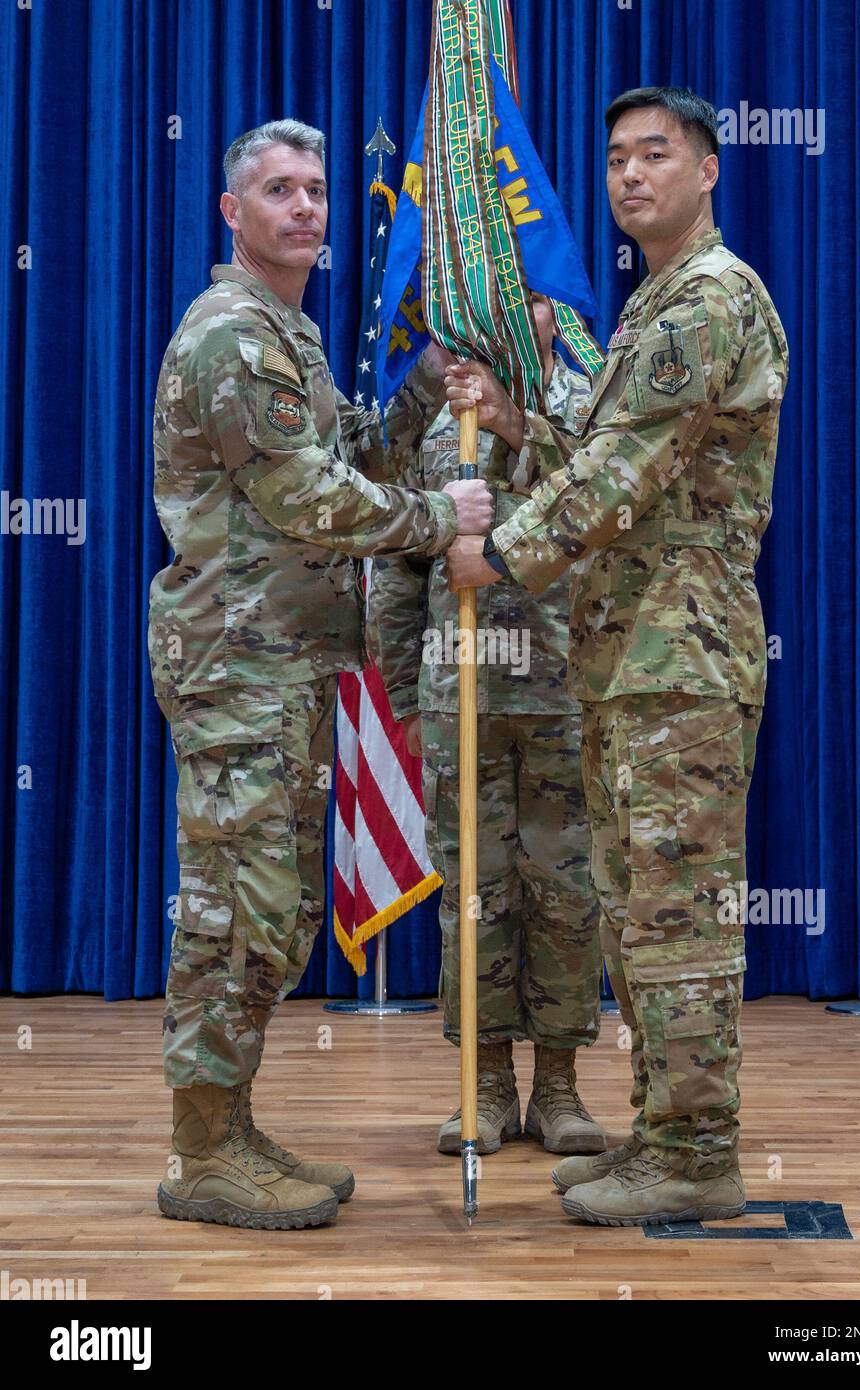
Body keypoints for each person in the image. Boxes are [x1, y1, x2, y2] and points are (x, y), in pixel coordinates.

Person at [443, 87, 789, 1226]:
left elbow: (615, 477)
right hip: (632, 657)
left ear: (707, 171)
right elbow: (608, 453)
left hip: (675, 661)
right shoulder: (652, 307)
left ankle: (697, 1152)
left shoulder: (705, 300)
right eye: (615, 160)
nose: (630, 175)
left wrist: (492, 554)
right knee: (639, 915)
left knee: (676, 917)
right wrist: (513, 424)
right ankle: (663, 1134)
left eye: (656, 155)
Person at [148, 118, 492, 1230]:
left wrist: (423, 387)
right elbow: (306, 499)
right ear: (232, 213)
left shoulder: (285, 335)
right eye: (279, 190)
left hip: (280, 664)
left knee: (274, 906)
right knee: (233, 911)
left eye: (315, 191)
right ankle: (200, 1152)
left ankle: (228, 1125)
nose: (304, 207)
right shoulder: (233, 336)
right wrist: (442, 517)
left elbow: (346, 457)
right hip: (239, 665)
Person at [367, 294, 606, 1158]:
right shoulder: (432, 422)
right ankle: (487, 1084)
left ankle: (561, 1087)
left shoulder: (585, 409)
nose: (517, 310)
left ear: (554, 310)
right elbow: (396, 569)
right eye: (499, 292)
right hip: (460, 695)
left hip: (564, 696)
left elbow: (610, 518)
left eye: (532, 295)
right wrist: (402, 693)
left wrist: (515, 427)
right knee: (474, 897)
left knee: (566, 897)